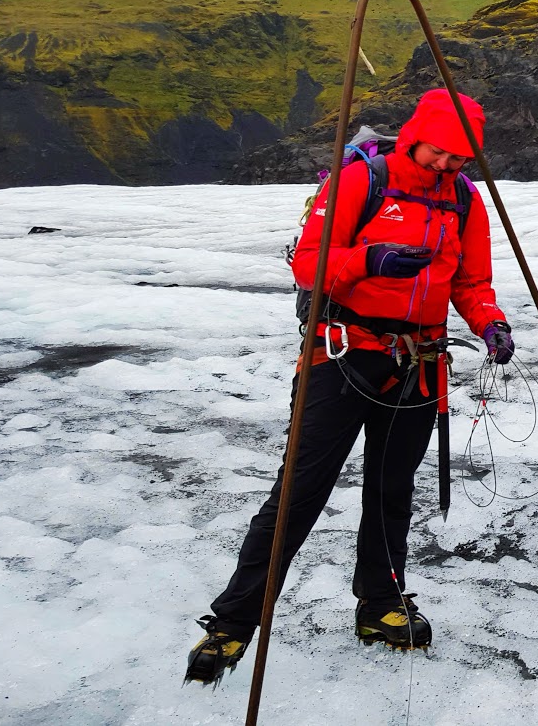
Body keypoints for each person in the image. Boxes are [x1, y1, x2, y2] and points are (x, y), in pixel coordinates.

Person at [186, 89, 517, 684]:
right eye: (440, 152)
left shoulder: (465, 200)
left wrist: (489, 321)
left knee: (391, 491)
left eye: (460, 158)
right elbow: (308, 263)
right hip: (341, 354)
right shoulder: (361, 181)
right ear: (415, 136)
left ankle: (380, 604)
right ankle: (233, 621)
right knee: (299, 491)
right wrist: (370, 260)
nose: (447, 165)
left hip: (420, 362)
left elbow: (470, 281)